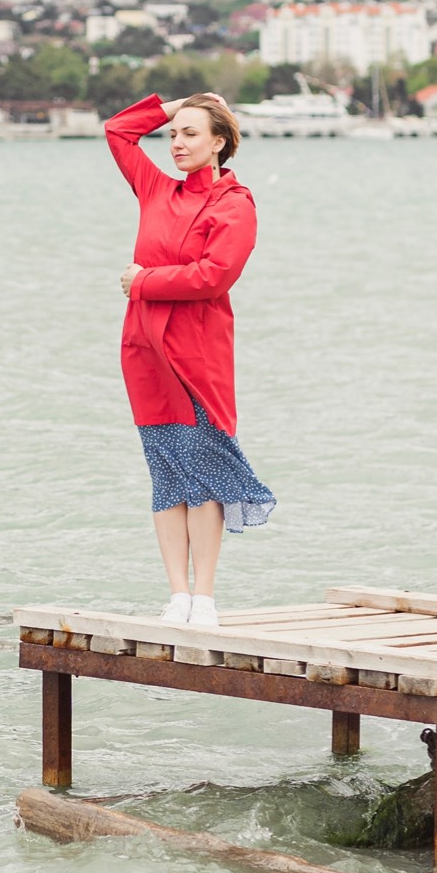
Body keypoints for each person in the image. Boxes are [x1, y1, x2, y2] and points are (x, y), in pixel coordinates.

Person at [106, 90, 275, 627]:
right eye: (173, 134)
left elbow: (214, 276)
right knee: (166, 473)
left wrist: (144, 281)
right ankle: (176, 594)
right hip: (145, 352)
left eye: (190, 133)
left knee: (202, 473)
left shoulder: (235, 204)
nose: (176, 143)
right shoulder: (156, 188)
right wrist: (178, 103)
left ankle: (205, 597)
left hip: (196, 355)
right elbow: (118, 131)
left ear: (220, 142)